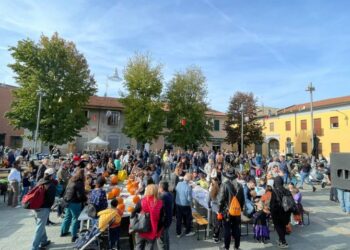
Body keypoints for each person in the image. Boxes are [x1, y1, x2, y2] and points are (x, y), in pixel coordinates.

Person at [217, 167, 244, 250]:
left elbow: (220, 200)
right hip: (237, 211)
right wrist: (241, 210)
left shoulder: (224, 185)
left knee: (227, 229)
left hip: (227, 211)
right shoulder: (240, 186)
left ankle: (226, 247)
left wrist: (219, 211)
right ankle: (236, 246)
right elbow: (242, 200)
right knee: (236, 228)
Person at [132, 184, 164, 250]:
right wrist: (158, 231)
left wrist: (134, 224)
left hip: (140, 228)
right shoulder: (160, 203)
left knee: (138, 246)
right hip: (152, 230)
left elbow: (133, 212)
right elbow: (161, 220)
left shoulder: (142, 201)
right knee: (149, 247)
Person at [31, 168, 56, 250]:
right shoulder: (51, 185)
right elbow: (50, 200)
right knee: (39, 227)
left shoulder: (40, 181)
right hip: (43, 208)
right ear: (51, 176)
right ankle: (34, 247)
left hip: (35, 206)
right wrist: (51, 207)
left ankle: (44, 241)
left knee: (40, 225)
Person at [60, 168, 87, 242]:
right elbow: (80, 195)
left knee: (67, 217)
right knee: (75, 218)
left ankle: (63, 232)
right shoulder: (80, 182)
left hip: (67, 200)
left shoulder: (71, 180)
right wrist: (85, 199)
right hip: (75, 202)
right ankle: (74, 235)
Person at [270, 176, 293, 248]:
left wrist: (271, 211)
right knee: (283, 225)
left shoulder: (274, 191)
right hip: (287, 211)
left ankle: (283, 242)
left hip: (277, 211)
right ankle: (281, 240)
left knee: (278, 226)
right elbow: (291, 202)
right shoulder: (287, 190)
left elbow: (273, 203)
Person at [175, 173, 195, 237]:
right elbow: (189, 199)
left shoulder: (178, 183)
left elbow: (176, 190)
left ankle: (178, 233)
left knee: (179, 218)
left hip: (178, 203)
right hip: (185, 205)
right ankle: (187, 231)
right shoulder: (188, 187)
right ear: (189, 180)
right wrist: (192, 204)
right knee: (188, 218)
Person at [157, 181, 173, 250]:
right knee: (166, 238)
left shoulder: (163, 196)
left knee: (162, 241)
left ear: (161, 188)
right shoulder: (169, 194)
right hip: (168, 219)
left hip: (164, 221)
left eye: (159, 187)